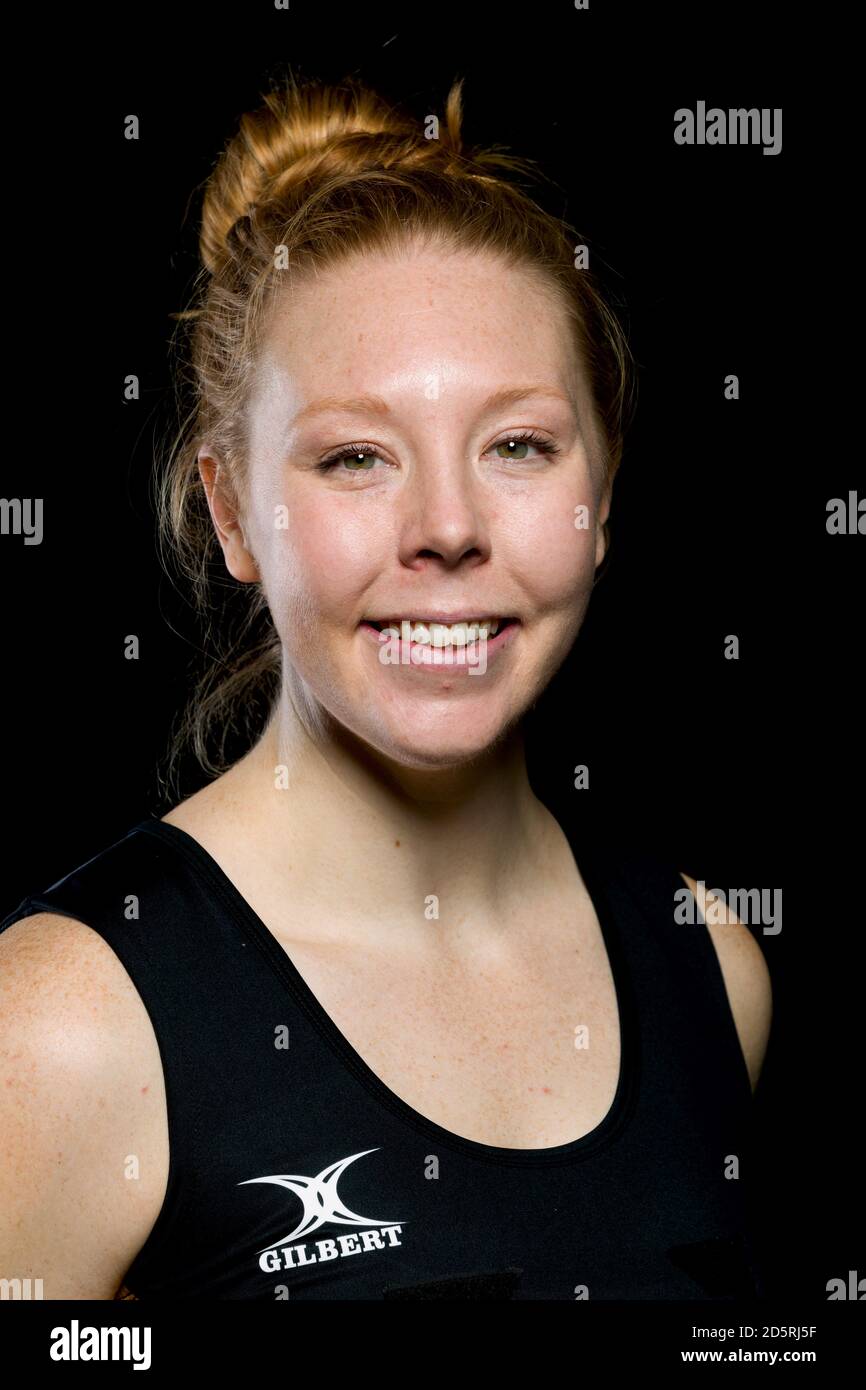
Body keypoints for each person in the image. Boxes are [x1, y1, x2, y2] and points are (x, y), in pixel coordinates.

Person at [0, 73, 772, 1301]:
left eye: (517, 445)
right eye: (355, 456)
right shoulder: (64, 1023)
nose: (447, 528)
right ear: (230, 512)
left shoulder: (709, 963)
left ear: (602, 490)